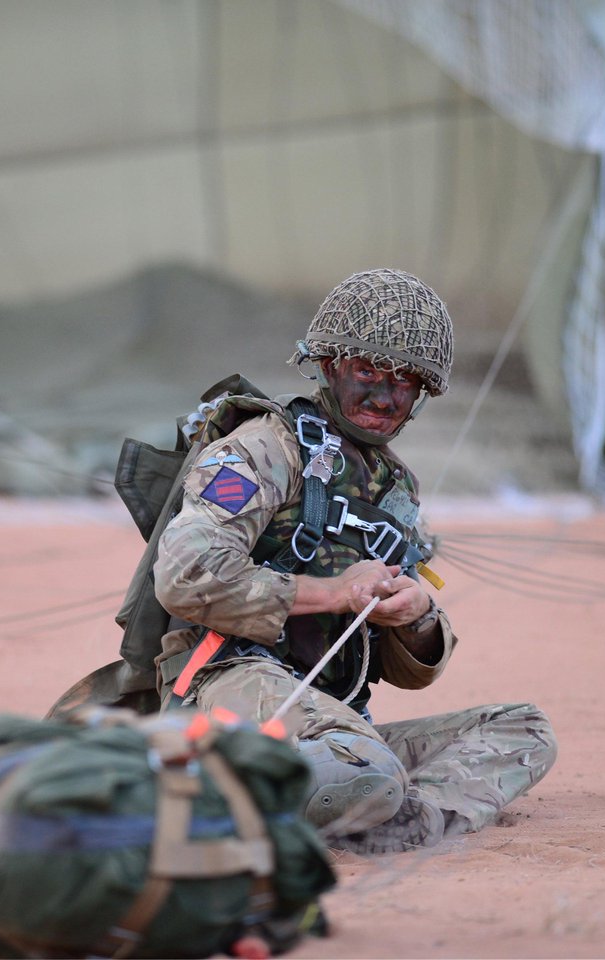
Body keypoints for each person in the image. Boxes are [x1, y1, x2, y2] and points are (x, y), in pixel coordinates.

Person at [151, 268, 557, 854]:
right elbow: (184, 577)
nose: (384, 395)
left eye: (405, 382)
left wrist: (415, 615)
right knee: (364, 765)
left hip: (335, 720)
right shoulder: (265, 449)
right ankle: (231, 791)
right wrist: (335, 593)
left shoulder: (395, 488)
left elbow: (407, 670)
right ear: (330, 366)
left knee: (522, 729)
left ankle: (397, 820)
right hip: (231, 683)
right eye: (367, 371)